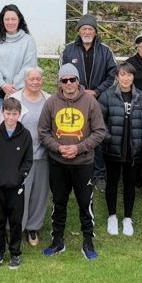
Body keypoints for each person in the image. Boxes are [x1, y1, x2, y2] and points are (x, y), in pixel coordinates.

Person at [37, 63, 106, 260]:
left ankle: (88, 242)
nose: (68, 83)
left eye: (72, 79)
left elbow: (99, 132)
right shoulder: (51, 103)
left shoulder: (90, 102)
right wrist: (58, 148)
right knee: (59, 202)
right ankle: (57, 241)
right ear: (60, 82)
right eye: (64, 80)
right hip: (58, 163)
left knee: (85, 203)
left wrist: (79, 148)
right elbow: (43, 131)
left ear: (78, 81)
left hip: (83, 163)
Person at [97, 59, 142, 239]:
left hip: (133, 149)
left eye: (129, 75)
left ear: (133, 77)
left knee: (129, 184)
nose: (126, 78)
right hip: (112, 149)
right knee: (112, 183)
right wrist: (108, 139)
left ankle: (128, 218)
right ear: (117, 76)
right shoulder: (107, 96)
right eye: (123, 74)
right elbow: (100, 121)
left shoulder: (141, 97)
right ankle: (112, 216)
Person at [0, 95, 32, 269]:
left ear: (19, 114)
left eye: (14, 114)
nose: (11, 117)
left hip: (16, 186)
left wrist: (20, 177)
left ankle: (15, 253)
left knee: (16, 221)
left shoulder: (25, 135)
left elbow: (28, 160)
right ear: (3, 113)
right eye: (8, 113)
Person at [13, 66, 51, 246]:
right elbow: (3, 126)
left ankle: (33, 228)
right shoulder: (14, 99)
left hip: (43, 154)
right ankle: (16, 226)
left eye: (38, 79)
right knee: (20, 193)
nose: (35, 82)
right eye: (31, 79)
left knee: (39, 193)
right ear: (25, 80)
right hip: (20, 157)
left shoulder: (49, 99)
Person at [0, 5, 38, 126]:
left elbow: (28, 67)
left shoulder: (28, 41)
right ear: (2, 20)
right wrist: (2, 85)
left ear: (19, 20)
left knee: (16, 130)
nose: (10, 22)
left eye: (13, 19)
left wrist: (13, 88)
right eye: (7, 19)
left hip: (19, 92)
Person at [62, 16, 116, 94]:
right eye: (84, 29)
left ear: (95, 32)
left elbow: (113, 75)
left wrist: (97, 91)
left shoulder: (106, 51)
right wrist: (78, 91)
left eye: (90, 29)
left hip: (100, 96)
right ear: (79, 31)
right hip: (74, 95)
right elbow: (62, 74)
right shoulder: (68, 50)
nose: (87, 32)